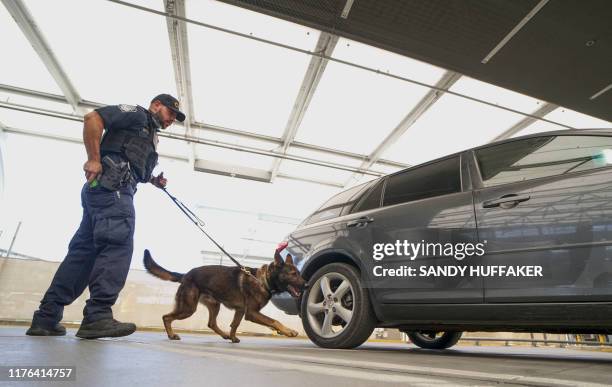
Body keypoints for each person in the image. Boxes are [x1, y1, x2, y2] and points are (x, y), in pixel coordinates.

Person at [26, 94, 185, 339]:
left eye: (175, 117)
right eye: (170, 113)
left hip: (105, 192)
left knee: (82, 255)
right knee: (117, 245)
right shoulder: (136, 114)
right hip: (114, 190)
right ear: (156, 105)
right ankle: (98, 317)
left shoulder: (150, 136)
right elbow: (93, 117)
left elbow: (133, 163)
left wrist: (154, 180)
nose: (172, 119)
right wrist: (93, 158)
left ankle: (46, 318)